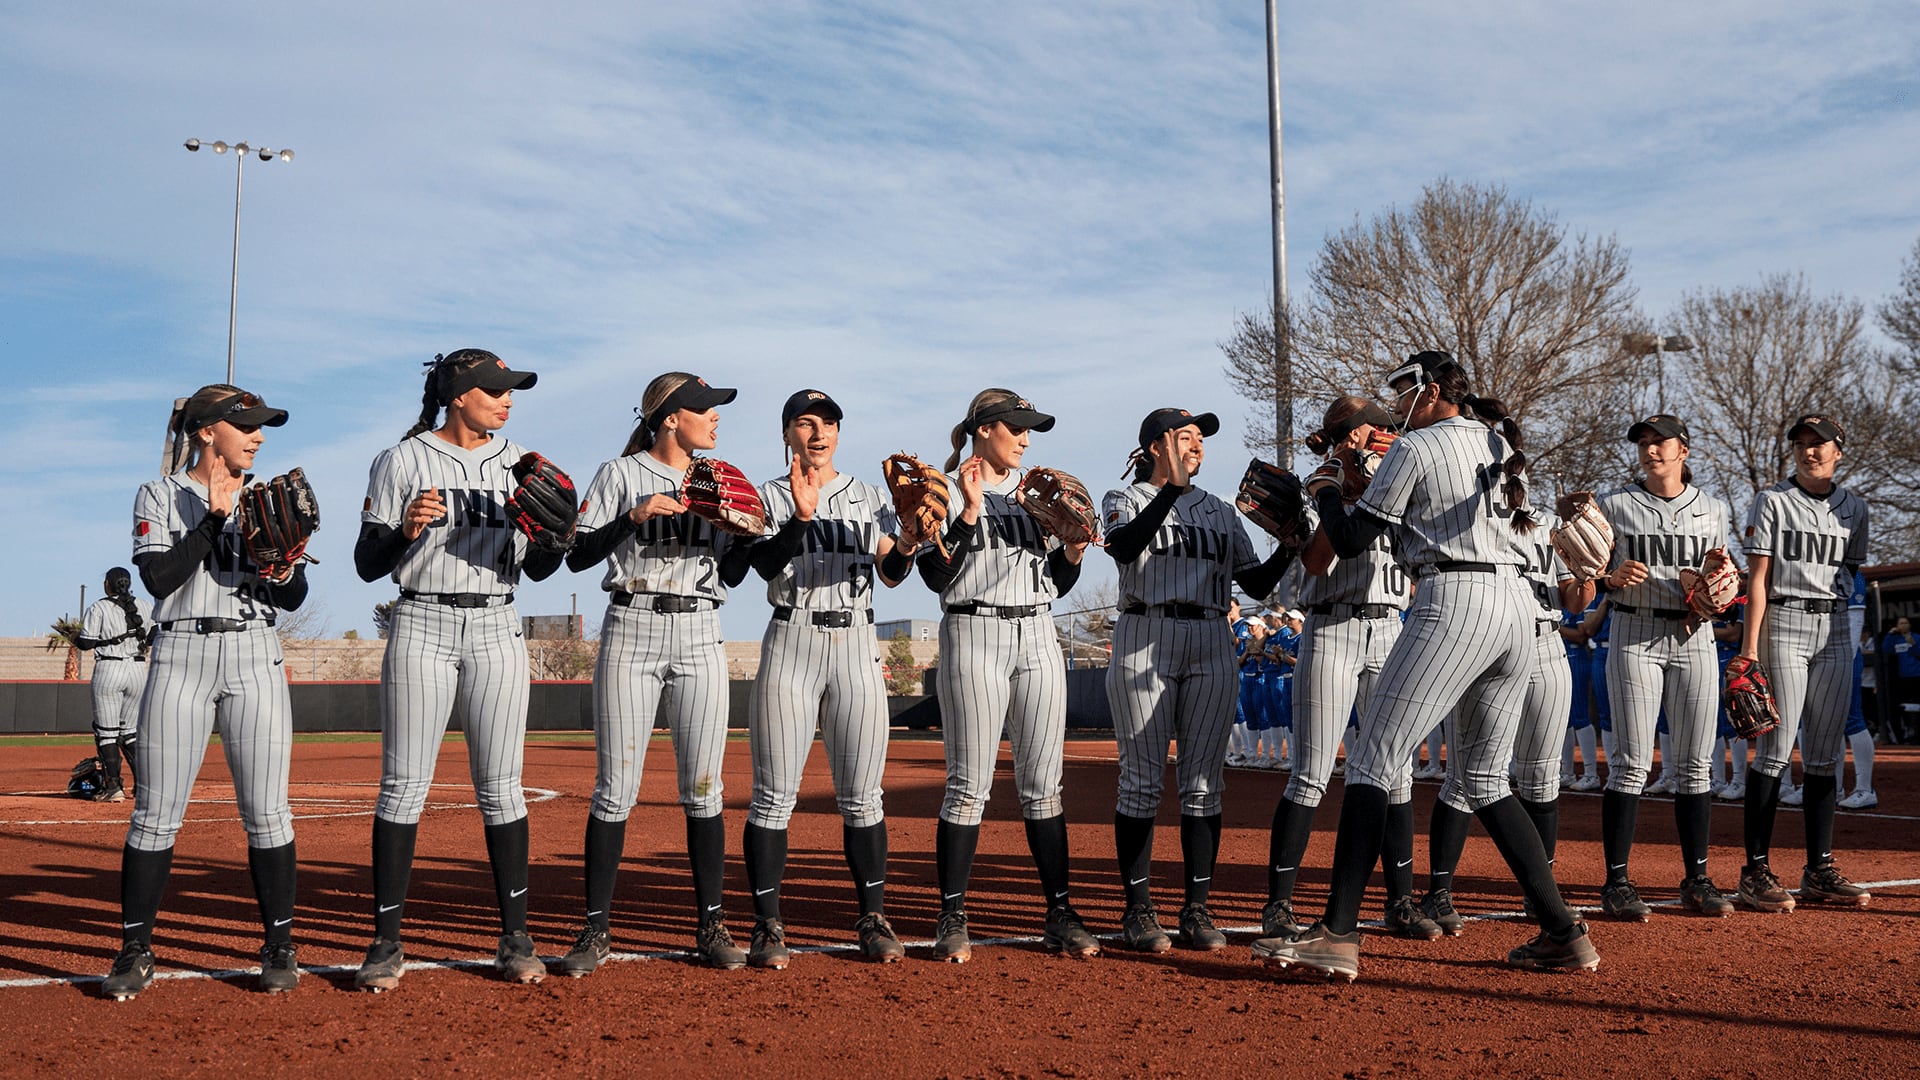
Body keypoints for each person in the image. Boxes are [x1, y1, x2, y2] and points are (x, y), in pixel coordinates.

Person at [1252, 351, 1597, 979]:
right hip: (1519, 608)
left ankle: (1336, 931)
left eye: (1404, 391)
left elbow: (1353, 540)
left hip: (1458, 598)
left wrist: (1329, 490)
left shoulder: (1419, 447)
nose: (1396, 405)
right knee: (1488, 780)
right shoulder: (1495, 442)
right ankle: (1562, 931)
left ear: (1433, 390)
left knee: (1372, 759)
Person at [351, 349, 567, 992]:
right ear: (458, 395)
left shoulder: (522, 465)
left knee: (502, 786)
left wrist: (555, 540)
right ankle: (386, 943)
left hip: (500, 622)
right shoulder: (402, 459)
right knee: (403, 786)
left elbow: (540, 567)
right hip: (421, 622)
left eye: (510, 390)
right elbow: (367, 562)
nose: (507, 399)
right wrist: (405, 533)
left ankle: (516, 937)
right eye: (495, 389)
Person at [102, 385, 308, 1000]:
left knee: (268, 811)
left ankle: (279, 944)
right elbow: (160, 578)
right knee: (155, 814)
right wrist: (216, 519)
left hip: (254, 652)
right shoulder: (160, 494)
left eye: (262, 425)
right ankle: (135, 948)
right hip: (180, 653)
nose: (259, 435)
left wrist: (284, 563)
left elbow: (291, 598)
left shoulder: (267, 498)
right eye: (246, 424)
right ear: (205, 432)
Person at [558, 372, 758, 975]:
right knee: (614, 788)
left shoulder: (723, 479)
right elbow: (577, 553)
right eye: (705, 408)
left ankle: (712, 924)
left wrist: (741, 535)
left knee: (704, 788)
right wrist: (632, 515)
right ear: (670, 418)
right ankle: (595, 931)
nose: (716, 416)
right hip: (632, 625)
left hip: (700, 629)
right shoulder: (619, 474)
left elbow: (741, 572)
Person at [1101, 408, 1296, 952]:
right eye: (1184, 438)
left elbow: (1254, 581)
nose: (1197, 447)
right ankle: (1138, 910)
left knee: (1204, 783)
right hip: (1146, 634)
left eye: (1200, 440)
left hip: (1212, 637)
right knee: (1140, 781)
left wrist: (1293, 543)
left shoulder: (1218, 511)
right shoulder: (1126, 499)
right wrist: (1170, 489)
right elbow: (1123, 546)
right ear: (1153, 447)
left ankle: (1196, 909)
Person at [915, 388, 1095, 963]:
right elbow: (934, 575)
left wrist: (1072, 549)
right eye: (1016, 427)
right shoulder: (939, 490)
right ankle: (952, 915)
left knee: (1044, 787)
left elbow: (1059, 585)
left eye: (1028, 429)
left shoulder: (1037, 496)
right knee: (969, 786)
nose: (1025, 437)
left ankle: (1060, 912)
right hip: (973, 633)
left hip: (1038, 633)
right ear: (984, 429)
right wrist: (968, 511)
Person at [737, 389, 915, 968]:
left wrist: (910, 541)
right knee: (773, 797)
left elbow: (891, 573)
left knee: (863, 796)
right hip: (791, 637)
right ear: (787, 432)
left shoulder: (867, 496)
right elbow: (760, 565)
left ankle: (872, 917)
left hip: (857, 642)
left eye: (829, 423)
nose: (819, 433)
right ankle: (768, 924)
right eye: (806, 423)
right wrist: (801, 516)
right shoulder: (766, 493)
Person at [1258, 396, 1425, 943]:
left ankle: (1400, 900)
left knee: (1395, 772)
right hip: (1332, 629)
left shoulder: (1400, 477)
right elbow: (1314, 560)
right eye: (1375, 425)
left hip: (1393, 627)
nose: (1385, 431)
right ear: (1352, 434)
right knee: (1311, 772)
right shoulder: (1318, 482)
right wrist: (1342, 495)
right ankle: (1279, 904)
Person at [1419, 496, 1593, 935]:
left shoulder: (1551, 525)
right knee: (1463, 777)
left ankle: (1542, 893)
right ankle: (1439, 892)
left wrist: (1590, 574)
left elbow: (1573, 601)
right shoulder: (1469, 516)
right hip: (1485, 644)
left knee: (1542, 776)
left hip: (1547, 644)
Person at [1588, 414, 1739, 919]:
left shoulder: (1714, 509)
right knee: (1632, 763)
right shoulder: (1615, 505)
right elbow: (1588, 572)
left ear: (1684, 451)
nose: (1651, 451)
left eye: (1661, 443)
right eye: (1644, 444)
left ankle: (1697, 878)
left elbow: (1723, 575)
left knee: (1696, 764)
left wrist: (1722, 582)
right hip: (1634, 632)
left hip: (1694, 635)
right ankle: (1617, 882)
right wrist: (1610, 577)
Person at [1736, 414, 1872, 911]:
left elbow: (1850, 574)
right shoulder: (1773, 500)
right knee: (1775, 751)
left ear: (1839, 450)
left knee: (1824, 756)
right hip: (1785, 623)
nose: (1810, 451)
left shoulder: (1855, 508)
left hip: (1836, 630)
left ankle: (1820, 868)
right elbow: (1757, 579)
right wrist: (1749, 649)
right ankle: (1755, 869)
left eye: (1820, 444)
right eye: (1801, 443)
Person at [75, 567, 154, 803]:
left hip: (110, 669)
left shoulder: (99, 607)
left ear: (108, 584)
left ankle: (113, 788)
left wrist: (73, 637)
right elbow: (154, 636)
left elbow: (86, 644)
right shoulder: (145, 605)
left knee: (107, 733)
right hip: (138, 670)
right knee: (130, 732)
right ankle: (144, 788)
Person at [1560, 600, 1601, 791]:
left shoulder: (1576, 602)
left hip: (1577, 657)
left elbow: (1581, 635)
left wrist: (1554, 628)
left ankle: (1591, 774)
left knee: (1580, 716)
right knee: (1565, 720)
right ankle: (1566, 772)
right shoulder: (1558, 601)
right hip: (1562, 656)